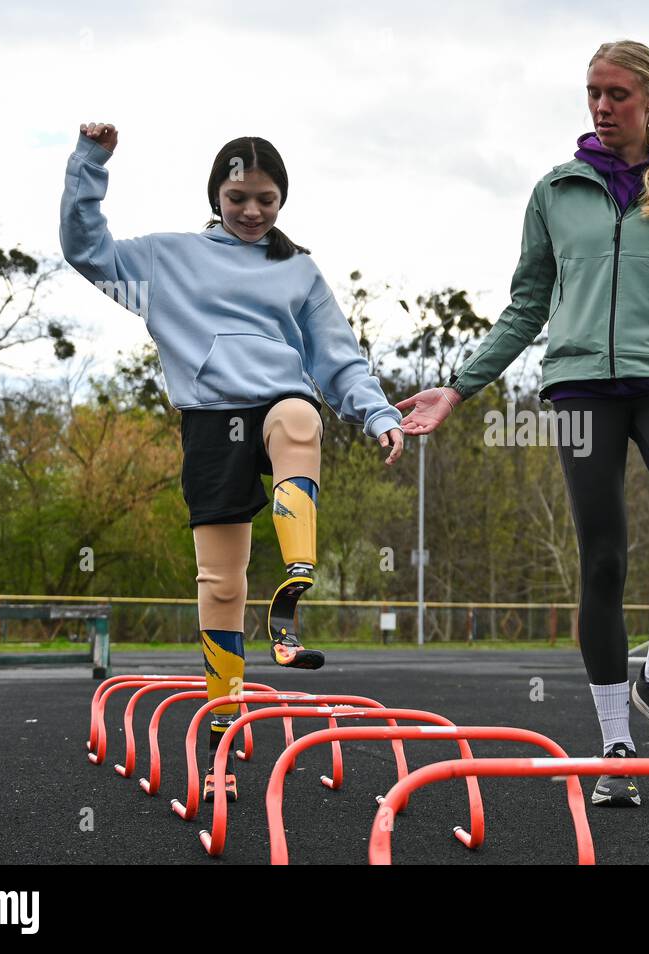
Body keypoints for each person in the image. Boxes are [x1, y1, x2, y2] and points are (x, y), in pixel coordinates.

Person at [398, 41, 649, 807]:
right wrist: (459, 390)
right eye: (593, 92)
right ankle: (614, 749)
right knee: (601, 560)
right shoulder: (555, 192)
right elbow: (527, 304)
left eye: (618, 94)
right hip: (578, 392)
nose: (602, 106)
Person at [60, 122, 405, 802]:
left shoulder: (297, 269)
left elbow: (336, 357)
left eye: (267, 199)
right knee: (220, 582)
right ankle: (223, 712)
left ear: (282, 201)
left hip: (278, 402)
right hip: (211, 419)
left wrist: (378, 412)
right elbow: (85, 249)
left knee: (300, 416)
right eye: (239, 196)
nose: (252, 211)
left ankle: (298, 577)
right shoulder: (167, 260)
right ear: (217, 194)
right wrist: (91, 161)